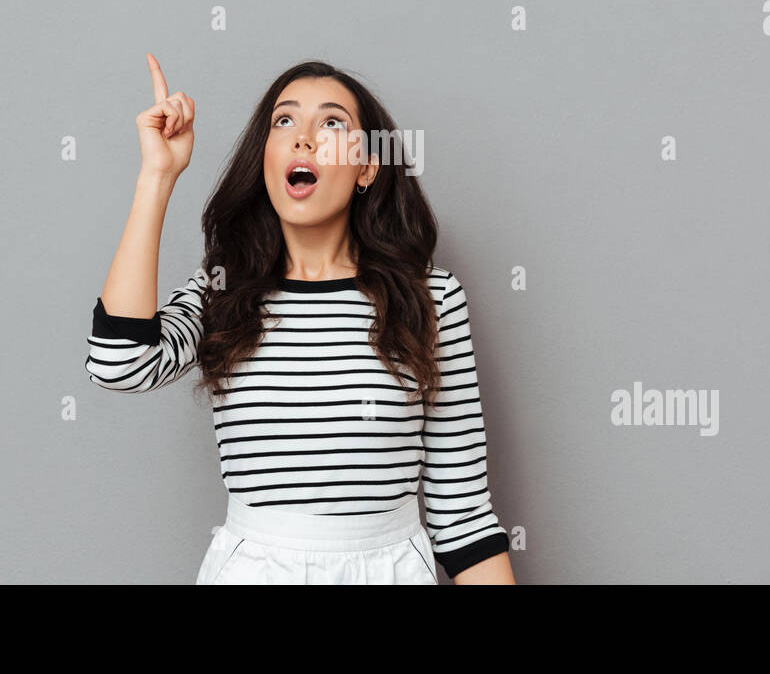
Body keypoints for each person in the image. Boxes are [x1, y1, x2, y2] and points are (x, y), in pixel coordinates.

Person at [85, 54, 515, 584]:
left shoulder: (431, 298)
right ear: (265, 158)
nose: (303, 138)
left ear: (366, 167)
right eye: (284, 121)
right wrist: (157, 176)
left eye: (332, 123)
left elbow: (464, 518)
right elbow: (117, 362)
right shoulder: (224, 291)